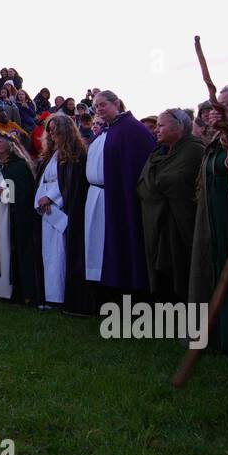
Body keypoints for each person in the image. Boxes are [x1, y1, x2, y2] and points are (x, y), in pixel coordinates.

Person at [190, 84, 228, 357]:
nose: (216, 113)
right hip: (214, 217)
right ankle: (219, 335)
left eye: (223, 106)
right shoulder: (218, 139)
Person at [84, 90, 156, 301]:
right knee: (98, 245)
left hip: (118, 197)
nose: (98, 109)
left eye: (102, 105)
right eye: (96, 106)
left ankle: (128, 295)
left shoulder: (131, 129)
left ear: (116, 103)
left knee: (120, 244)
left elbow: (137, 166)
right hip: (99, 196)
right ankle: (104, 291)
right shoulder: (109, 130)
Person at [137, 107, 204, 303]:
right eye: (156, 126)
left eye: (161, 125)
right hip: (159, 222)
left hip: (181, 220)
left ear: (179, 127)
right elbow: (145, 181)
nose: (156, 130)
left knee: (183, 262)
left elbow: (175, 182)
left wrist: (157, 187)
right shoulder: (159, 153)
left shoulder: (194, 151)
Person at [0, 133, 39, 304]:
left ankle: (13, 290)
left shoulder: (19, 166)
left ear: (10, 145)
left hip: (12, 217)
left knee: (8, 251)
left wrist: (2, 192)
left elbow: (24, 193)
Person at [35, 113, 87, 310]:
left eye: (56, 128)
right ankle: (50, 296)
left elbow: (71, 181)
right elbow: (42, 180)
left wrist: (51, 197)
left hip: (62, 210)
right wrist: (41, 199)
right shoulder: (50, 154)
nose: (52, 132)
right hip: (46, 211)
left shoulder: (75, 153)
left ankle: (61, 298)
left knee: (60, 254)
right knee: (49, 255)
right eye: (50, 128)